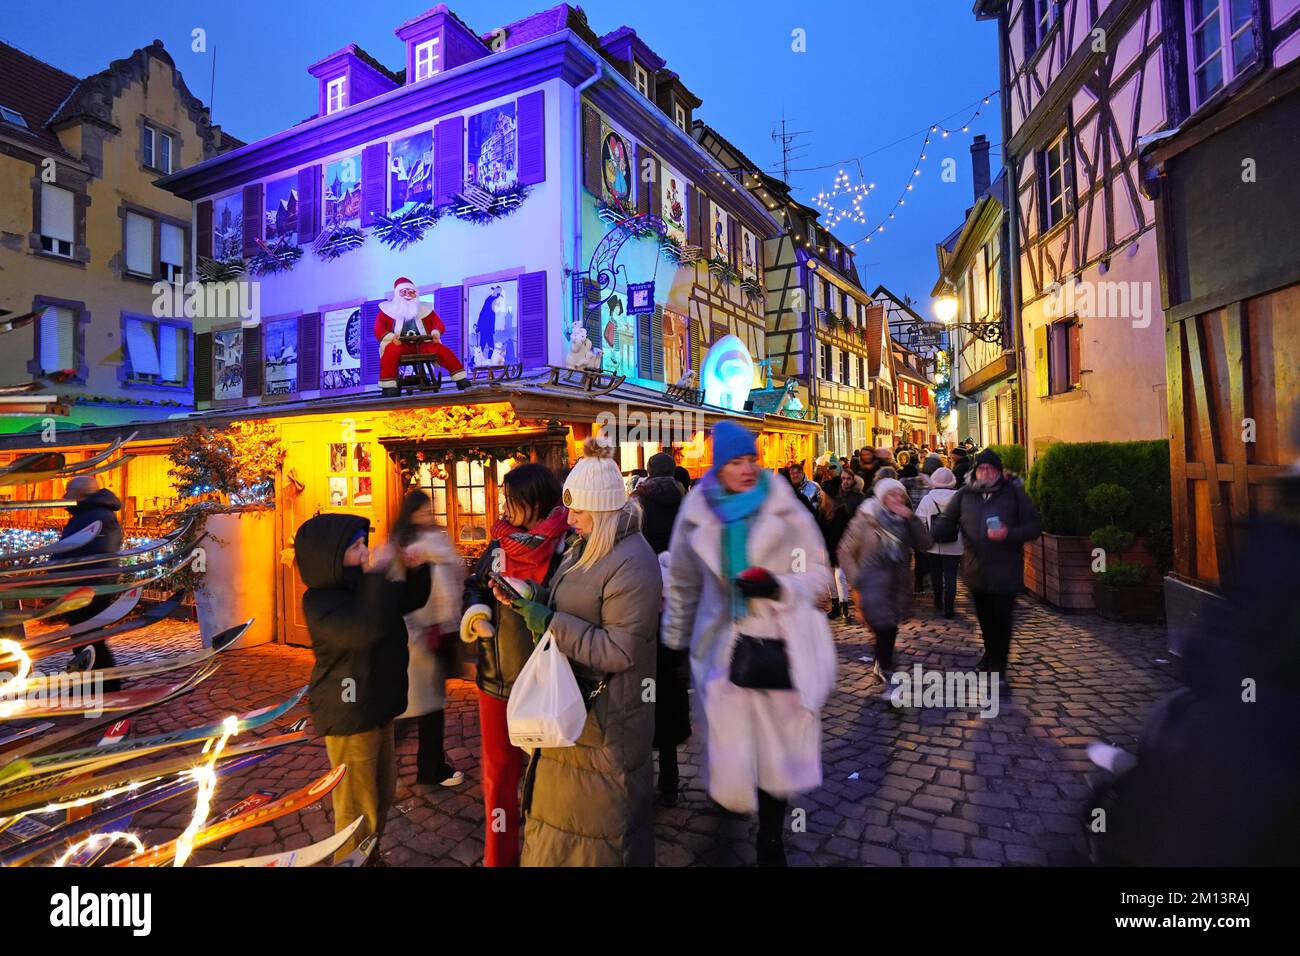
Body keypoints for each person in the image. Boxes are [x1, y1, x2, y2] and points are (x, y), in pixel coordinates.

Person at [664, 421, 837, 866]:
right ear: (718, 467)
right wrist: (675, 640)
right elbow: (682, 582)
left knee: (775, 749)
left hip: (775, 643)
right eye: (734, 462)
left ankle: (771, 839)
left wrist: (777, 586)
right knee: (729, 741)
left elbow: (818, 573)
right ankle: (731, 803)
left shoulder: (786, 509)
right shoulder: (696, 512)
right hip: (718, 645)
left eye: (750, 461)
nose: (745, 470)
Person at [505, 436, 661, 866]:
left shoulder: (633, 562)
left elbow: (620, 650)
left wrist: (549, 621)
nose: (567, 517)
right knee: (560, 830)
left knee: (598, 837)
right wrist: (534, 595)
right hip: (575, 714)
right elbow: (575, 604)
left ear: (603, 511)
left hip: (606, 723)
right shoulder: (586, 548)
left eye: (577, 510)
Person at [294, 513, 431, 863]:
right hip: (349, 710)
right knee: (357, 807)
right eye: (356, 547)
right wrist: (377, 576)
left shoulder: (364, 588)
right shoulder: (321, 601)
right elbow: (362, 631)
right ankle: (352, 861)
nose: (366, 553)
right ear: (331, 557)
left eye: (363, 544)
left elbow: (409, 599)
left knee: (381, 796)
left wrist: (416, 568)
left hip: (377, 705)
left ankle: (368, 858)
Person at [460, 464, 567, 866]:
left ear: (536, 501)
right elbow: (474, 583)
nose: (506, 507)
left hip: (547, 679)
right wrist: (475, 613)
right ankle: (499, 857)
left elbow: (571, 604)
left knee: (550, 780)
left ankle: (545, 855)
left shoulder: (567, 545)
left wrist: (535, 599)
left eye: (514, 500)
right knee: (499, 779)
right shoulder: (499, 541)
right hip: (497, 677)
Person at [938, 449, 1042, 674]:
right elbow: (947, 520)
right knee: (985, 619)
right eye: (981, 468)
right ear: (975, 471)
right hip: (976, 569)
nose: (985, 472)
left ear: (999, 472)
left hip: (1006, 569)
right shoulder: (965, 494)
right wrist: (931, 533)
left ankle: (999, 664)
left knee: (1002, 619)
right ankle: (990, 653)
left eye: (990, 468)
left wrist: (1009, 533)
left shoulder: (1013, 494)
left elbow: (1034, 526)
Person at [390, 490, 465, 787]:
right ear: (409, 514)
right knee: (419, 706)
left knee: (427, 704)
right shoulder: (402, 550)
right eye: (421, 511)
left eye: (428, 510)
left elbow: (455, 573)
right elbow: (394, 592)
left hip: (440, 630)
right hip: (417, 636)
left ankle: (429, 766)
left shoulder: (437, 542)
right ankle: (427, 769)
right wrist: (414, 631)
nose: (427, 515)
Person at [838, 477, 933, 691]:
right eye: (891, 494)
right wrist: (857, 579)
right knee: (886, 628)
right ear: (881, 497)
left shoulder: (906, 521)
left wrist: (912, 518)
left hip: (898, 585)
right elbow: (844, 551)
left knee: (888, 630)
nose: (897, 498)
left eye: (900, 495)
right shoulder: (865, 520)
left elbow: (925, 544)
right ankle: (888, 674)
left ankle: (881, 663)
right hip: (872, 585)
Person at [634, 451, 691, 805]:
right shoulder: (687, 505)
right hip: (678, 599)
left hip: (644, 597)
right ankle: (670, 778)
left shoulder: (637, 504)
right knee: (672, 685)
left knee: (643, 687)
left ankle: (643, 774)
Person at [58, 476, 125, 688]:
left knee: (87, 637)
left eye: (68, 491)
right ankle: (97, 682)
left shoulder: (95, 517)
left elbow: (87, 552)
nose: (64, 496)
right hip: (86, 584)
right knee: (86, 636)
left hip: (89, 587)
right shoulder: (90, 515)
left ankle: (104, 683)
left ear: (80, 494)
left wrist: (59, 569)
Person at [376, 276, 470, 396]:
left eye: (411, 292)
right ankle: (389, 387)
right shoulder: (387, 310)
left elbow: (438, 323)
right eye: (404, 292)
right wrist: (391, 337)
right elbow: (378, 329)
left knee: (441, 350)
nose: (408, 295)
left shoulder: (425, 309)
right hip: (400, 344)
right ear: (397, 294)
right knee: (390, 351)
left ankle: (460, 379)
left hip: (422, 344)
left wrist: (435, 333)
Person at [818, 468, 866, 621]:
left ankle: (844, 607)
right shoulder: (822, 509)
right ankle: (836, 606)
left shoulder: (842, 509)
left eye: (848, 479)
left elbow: (849, 527)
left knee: (840, 576)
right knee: (831, 577)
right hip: (828, 547)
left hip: (841, 546)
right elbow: (819, 528)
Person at [915, 467, 962, 617]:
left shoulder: (928, 498)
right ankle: (949, 606)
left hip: (933, 543)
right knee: (951, 575)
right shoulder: (959, 498)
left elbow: (919, 521)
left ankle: (937, 600)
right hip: (955, 544)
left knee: (936, 573)